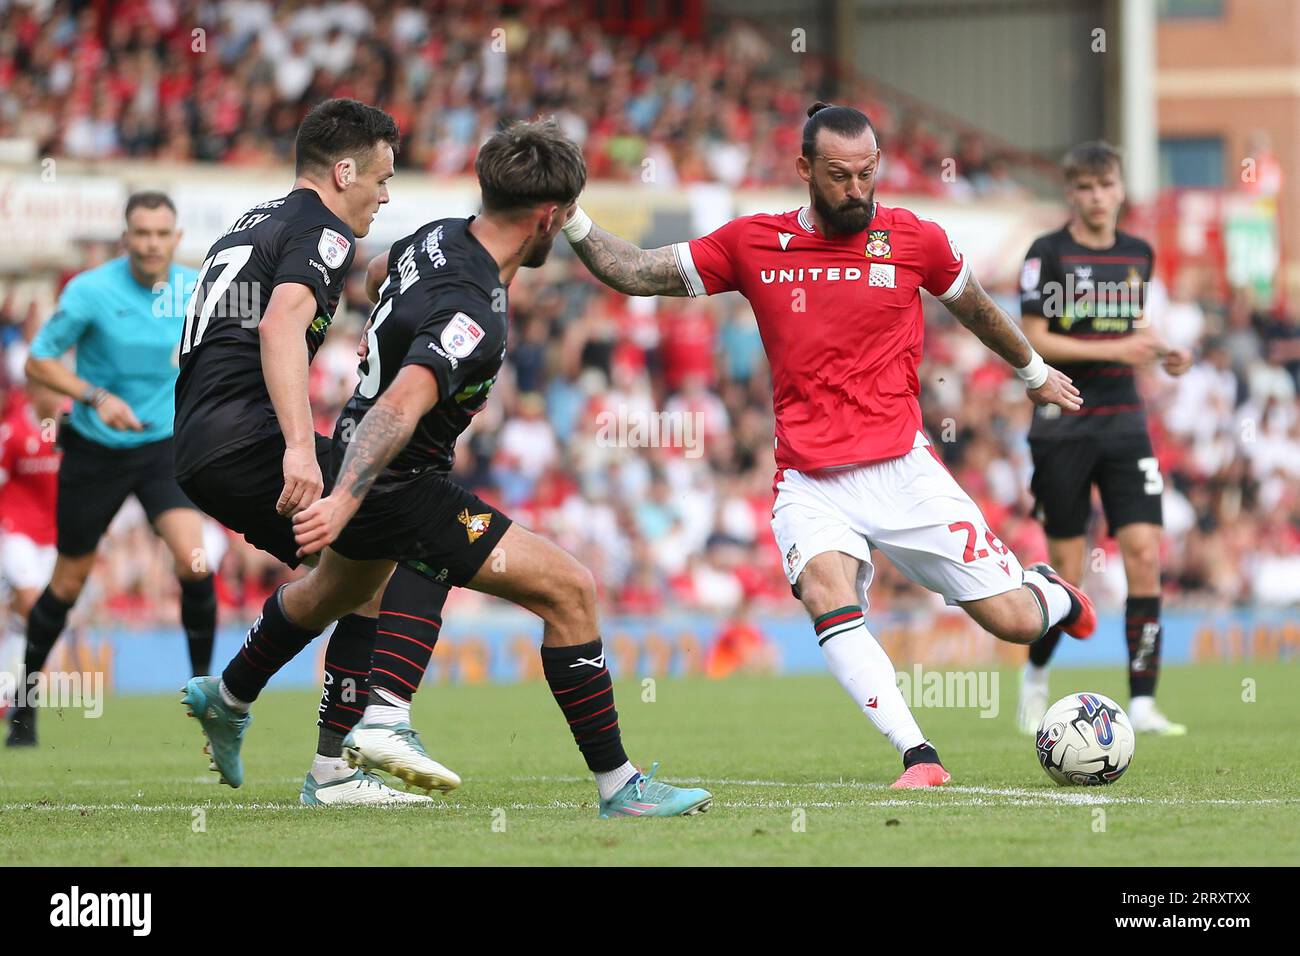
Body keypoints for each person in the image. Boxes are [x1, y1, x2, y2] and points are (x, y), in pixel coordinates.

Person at [557, 102, 1097, 788]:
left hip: (903, 467)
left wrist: (1033, 371)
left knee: (1015, 622)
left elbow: (975, 306)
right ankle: (919, 755)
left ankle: (1051, 592)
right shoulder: (754, 244)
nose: (856, 189)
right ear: (805, 169)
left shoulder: (914, 240)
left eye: (867, 173)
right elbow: (635, 269)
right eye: (840, 175)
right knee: (825, 593)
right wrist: (570, 215)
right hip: (809, 480)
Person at [193, 118, 713, 819]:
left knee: (335, 593)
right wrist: (347, 498)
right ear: (548, 219)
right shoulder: (475, 312)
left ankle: (233, 699)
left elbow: (381, 274)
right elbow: (402, 405)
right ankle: (609, 783)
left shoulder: (435, 235)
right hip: (395, 477)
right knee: (570, 590)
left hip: (358, 451)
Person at [173, 98, 431, 805]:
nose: (385, 194)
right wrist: (296, 447)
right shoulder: (323, 233)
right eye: (380, 178)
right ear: (343, 170)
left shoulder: (259, 220)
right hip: (245, 436)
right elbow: (281, 324)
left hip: (200, 440)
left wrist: (380, 276)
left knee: (358, 572)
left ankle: (232, 696)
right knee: (399, 531)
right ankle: (331, 769)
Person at [8, 193, 215, 748]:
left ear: (176, 238)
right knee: (67, 583)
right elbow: (38, 361)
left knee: (195, 563)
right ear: (126, 238)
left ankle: (207, 700)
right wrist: (95, 396)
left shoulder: (194, 288)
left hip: (161, 448)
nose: (150, 243)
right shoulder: (91, 291)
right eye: (140, 233)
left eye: (161, 233)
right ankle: (24, 709)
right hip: (95, 449)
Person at [1016, 141, 1193, 736]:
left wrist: (1164, 351)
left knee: (1144, 553)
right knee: (1068, 567)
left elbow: (1134, 324)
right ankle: (1036, 672)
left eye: (1106, 185)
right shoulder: (1047, 254)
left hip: (1124, 419)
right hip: (1062, 422)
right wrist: (1123, 348)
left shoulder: (1138, 253)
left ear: (1120, 188)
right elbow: (1035, 337)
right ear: (1071, 193)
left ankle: (1142, 699)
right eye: (1085, 187)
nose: (1097, 197)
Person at [0, 381, 62, 720]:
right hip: (16, 530)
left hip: (52, 536)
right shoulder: (13, 431)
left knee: (31, 619)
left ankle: (10, 691)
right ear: (35, 392)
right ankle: (17, 694)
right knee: (30, 602)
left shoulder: (67, 426)